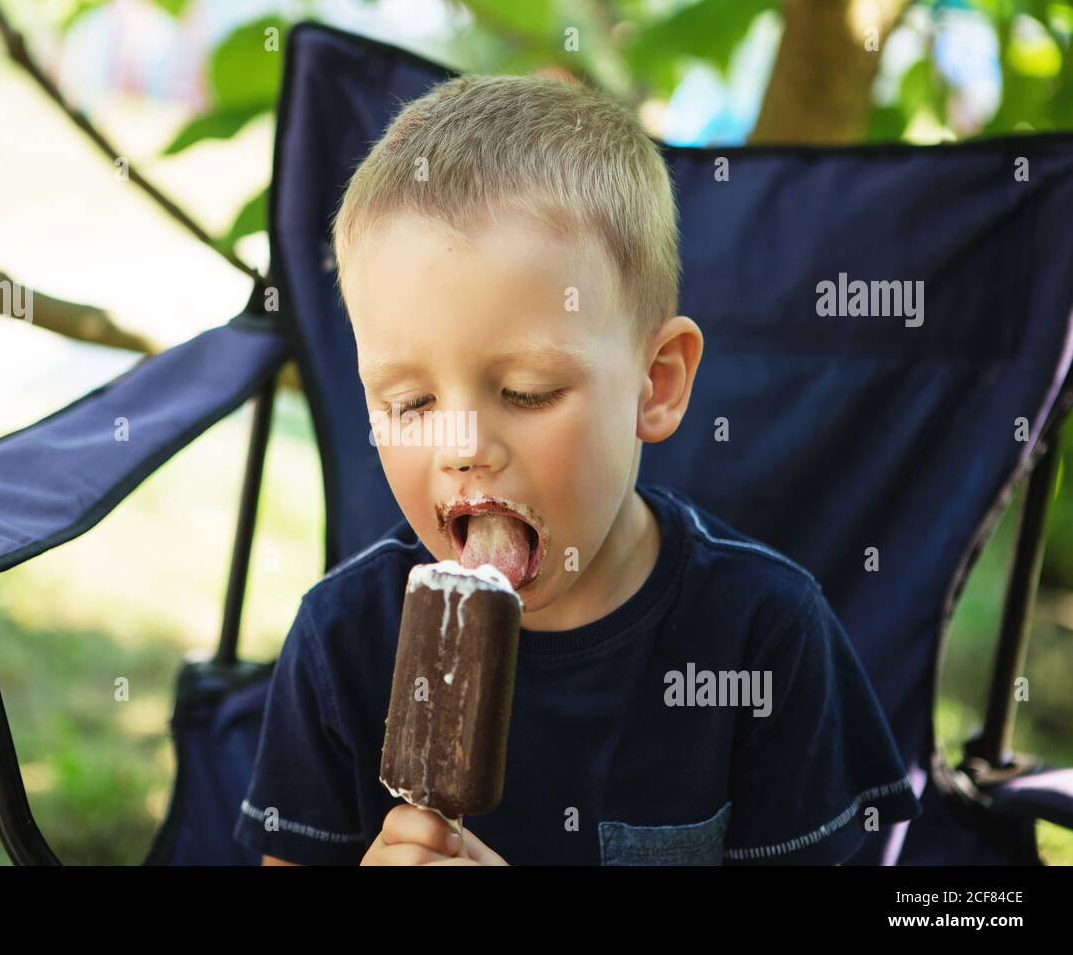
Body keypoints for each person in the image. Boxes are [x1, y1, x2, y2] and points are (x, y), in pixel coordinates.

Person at [232, 73, 921, 865]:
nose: (463, 445)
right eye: (412, 402)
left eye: (528, 392)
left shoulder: (764, 636)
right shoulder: (344, 641)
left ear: (656, 383)